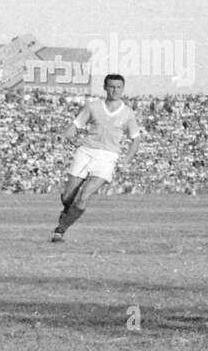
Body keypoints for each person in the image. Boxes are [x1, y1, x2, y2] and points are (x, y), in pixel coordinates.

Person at [51, 74, 141, 242]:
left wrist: (127, 159)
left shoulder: (127, 113)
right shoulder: (93, 107)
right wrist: (71, 138)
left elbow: (135, 138)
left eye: (118, 87)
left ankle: (60, 230)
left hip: (107, 157)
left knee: (85, 195)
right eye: (111, 87)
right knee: (67, 197)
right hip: (86, 152)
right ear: (105, 87)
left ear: (123, 89)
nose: (115, 90)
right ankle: (67, 212)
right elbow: (74, 126)